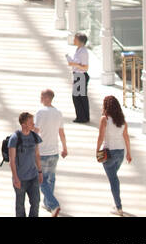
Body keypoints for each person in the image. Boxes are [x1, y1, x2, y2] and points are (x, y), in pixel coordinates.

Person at [34, 89, 67, 217]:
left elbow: (35, 132)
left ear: (47, 98)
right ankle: (47, 204)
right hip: (54, 152)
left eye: (42, 96)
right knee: (51, 179)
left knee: (41, 179)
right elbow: (61, 133)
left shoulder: (40, 112)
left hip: (42, 152)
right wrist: (65, 148)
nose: (40, 98)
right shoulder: (58, 113)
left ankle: (53, 204)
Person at [97, 95, 132, 216]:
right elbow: (126, 137)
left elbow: (101, 137)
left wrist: (97, 150)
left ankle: (119, 207)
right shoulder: (122, 121)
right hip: (120, 153)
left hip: (108, 153)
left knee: (113, 180)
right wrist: (128, 153)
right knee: (114, 176)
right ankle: (117, 202)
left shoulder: (104, 119)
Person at [8, 112, 43, 218]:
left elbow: (37, 155)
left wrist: (40, 172)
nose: (33, 124)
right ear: (23, 125)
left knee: (36, 203)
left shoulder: (34, 136)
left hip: (33, 177)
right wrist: (15, 178)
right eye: (31, 122)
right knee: (20, 206)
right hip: (20, 178)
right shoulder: (15, 138)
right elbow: (12, 160)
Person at [68, 32, 90, 123]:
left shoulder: (83, 52)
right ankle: (83, 116)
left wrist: (74, 64)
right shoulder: (79, 49)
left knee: (78, 97)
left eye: (75, 39)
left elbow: (85, 67)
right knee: (79, 97)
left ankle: (82, 117)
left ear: (80, 41)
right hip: (78, 75)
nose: (74, 40)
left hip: (80, 75)